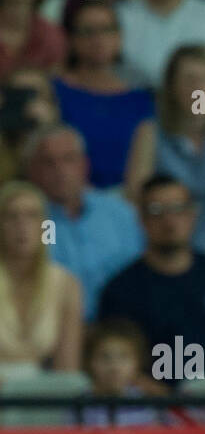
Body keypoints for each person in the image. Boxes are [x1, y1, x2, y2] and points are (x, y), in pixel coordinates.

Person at [99, 175, 205, 356]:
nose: (169, 220)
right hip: (149, 383)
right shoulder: (120, 290)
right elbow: (113, 362)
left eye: (178, 209)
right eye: (156, 211)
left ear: (193, 214)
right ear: (141, 219)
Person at [123, 45, 205, 257]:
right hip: (164, 250)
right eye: (189, 79)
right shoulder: (151, 133)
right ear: (172, 87)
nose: (198, 89)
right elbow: (136, 204)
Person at [22, 123, 142, 319]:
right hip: (54, 328)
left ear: (84, 165)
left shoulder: (121, 214)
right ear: (32, 171)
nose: (60, 170)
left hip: (122, 327)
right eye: (48, 162)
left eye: (68, 159)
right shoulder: (26, 220)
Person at [53, 0, 155, 190]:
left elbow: (143, 170)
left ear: (119, 37)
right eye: (88, 31)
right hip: (67, 196)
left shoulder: (141, 99)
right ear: (72, 39)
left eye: (106, 30)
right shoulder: (54, 92)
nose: (98, 39)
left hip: (127, 201)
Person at [0, 179, 82, 384]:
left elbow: (67, 371)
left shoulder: (66, 284)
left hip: (42, 394)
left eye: (32, 216)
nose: (22, 226)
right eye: (11, 216)